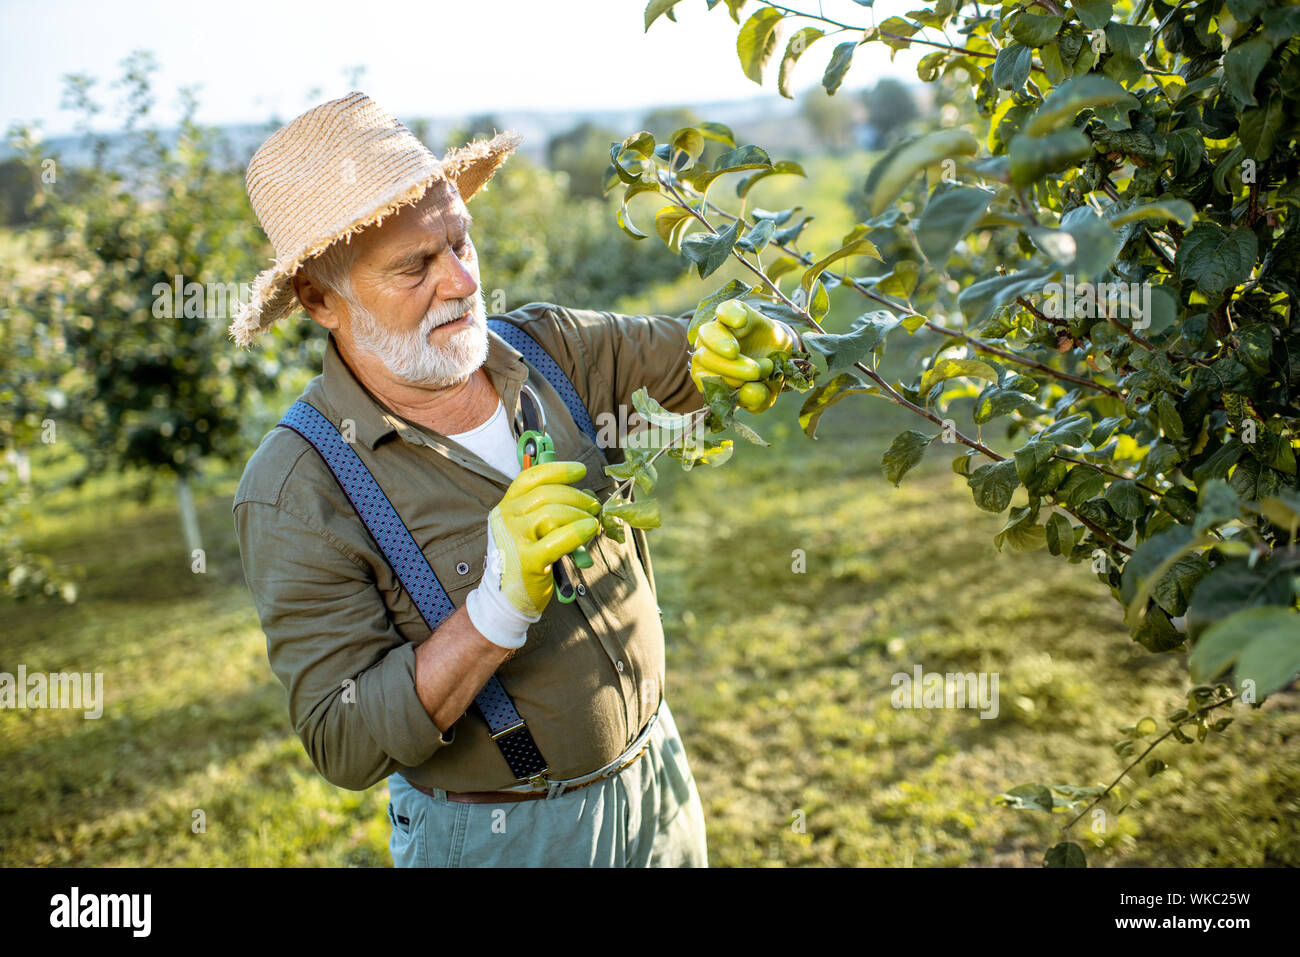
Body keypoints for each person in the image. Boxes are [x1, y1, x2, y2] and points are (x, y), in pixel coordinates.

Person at [230, 92, 794, 867]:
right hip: (508, 839)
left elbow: (698, 357)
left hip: (657, 782)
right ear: (322, 299)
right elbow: (344, 740)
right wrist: (496, 608)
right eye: (415, 266)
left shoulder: (552, 349)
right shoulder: (300, 485)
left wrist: (759, 337)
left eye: (460, 243)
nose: (459, 282)